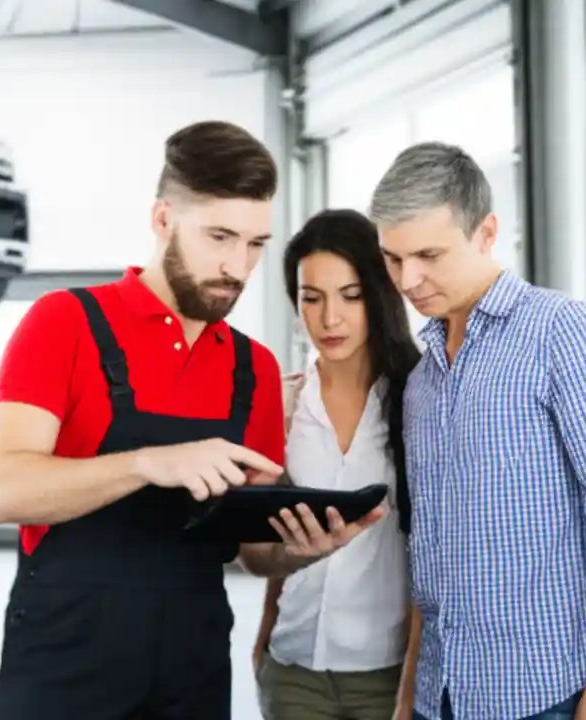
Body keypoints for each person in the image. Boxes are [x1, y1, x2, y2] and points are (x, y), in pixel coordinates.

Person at [0, 120, 385, 720]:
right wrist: (152, 463)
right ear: (163, 219)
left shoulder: (254, 368)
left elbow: (252, 553)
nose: (237, 266)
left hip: (191, 672)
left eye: (254, 244)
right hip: (64, 664)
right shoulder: (63, 324)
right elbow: (1, 492)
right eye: (219, 236)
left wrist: (303, 549)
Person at [369, 142, 586, 720]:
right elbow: (430, 554)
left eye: (429, 254)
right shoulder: (424, 380)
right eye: (393, 258)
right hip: (443, 692)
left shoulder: (565, 333)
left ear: (486, 232)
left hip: (548, 694)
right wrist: (410, 693)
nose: (409, 279)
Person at [250, 209, 424, 720]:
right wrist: (263, 643)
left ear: (380, 294)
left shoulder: (422, 403)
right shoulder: (282, 406)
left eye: (351, 295)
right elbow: (264, 545)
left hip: (387, 677)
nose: (330, 319)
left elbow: (434, 558)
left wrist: (410, 690)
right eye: (312, 298)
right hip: (294, 670)